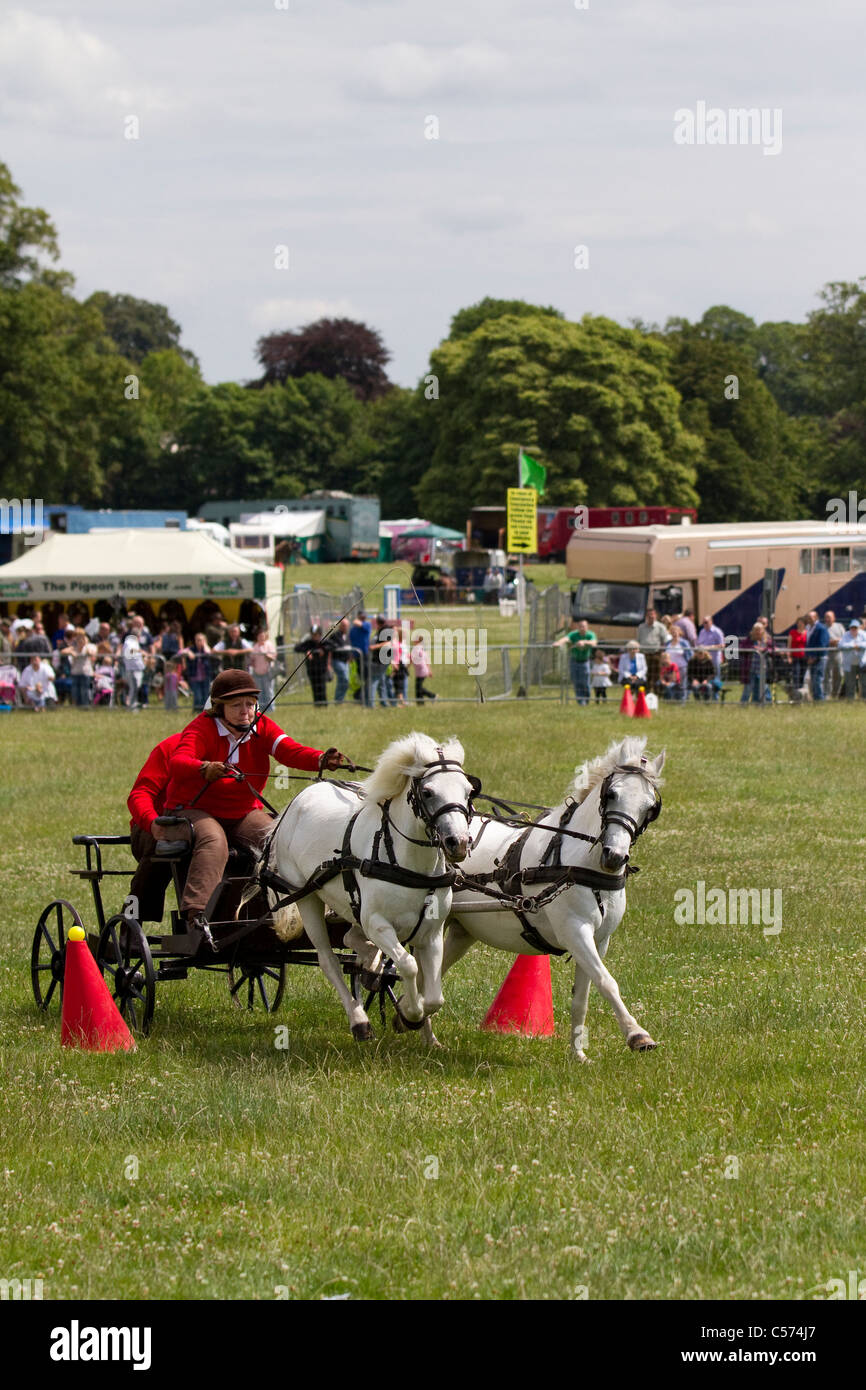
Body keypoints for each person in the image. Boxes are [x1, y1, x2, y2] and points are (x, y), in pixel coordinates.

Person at [162, 670, 347, 933]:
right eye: (236, 705)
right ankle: (196, 915)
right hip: (192, 809)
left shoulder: (261, 726)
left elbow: (288, 750)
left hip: (242, 812)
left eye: (250, 703)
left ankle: (305, 906)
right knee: (214, 841)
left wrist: (320, 759)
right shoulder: (201, 727)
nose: (245, 711)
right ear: (218, 708)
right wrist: (203, 768)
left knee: (279, 840)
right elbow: (178, 761)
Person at [127, 733, 184, 920]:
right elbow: (140, 794)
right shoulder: (171, 747)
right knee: (164, 845)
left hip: (202, 827)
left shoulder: (244, 749)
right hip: (153, 826)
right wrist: (152, 822)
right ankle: (133, 921)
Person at [554, 618, 595, 706]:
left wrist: (584, 642)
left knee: (585, 682)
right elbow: (566, 638)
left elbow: (594, 642)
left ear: (587, 627)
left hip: (585, 662)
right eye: (580, 626)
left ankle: (586, 699)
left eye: (584, 626)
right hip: (574, 661)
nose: (582, 628)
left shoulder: (590, 634)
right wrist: (558, 643)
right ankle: (581, 701)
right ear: (578, 627)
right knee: (576, 682)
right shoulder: (574, 634)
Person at [59, 627, 97, 707]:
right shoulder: (73, 648)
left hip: (85, 673)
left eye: (80, 637)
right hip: (75, 673)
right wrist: (71, 652)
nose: (78, 639)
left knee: (85, 691)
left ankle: (85, 706)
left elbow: (93, 653)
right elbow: (62, 651)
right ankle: (77, 706)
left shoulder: (88, 647)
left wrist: (87, 649)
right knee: (75, 691)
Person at [294, 624, 331, 707]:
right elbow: (297, 648)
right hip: (312, 669)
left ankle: (324, 704)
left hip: (322, 669)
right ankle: (317, 705)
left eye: (316, 634)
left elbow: (333, 645)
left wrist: (324, 649)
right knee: (315, 687)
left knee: (322, 687)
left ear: (320, 634)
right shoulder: (308, 643)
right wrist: (307, 651)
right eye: (313, 634)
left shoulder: (324, 642)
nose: (315, 636)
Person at [181, 633, 214, 713]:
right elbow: (181, 651)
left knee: (205, 695)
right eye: (197, 640)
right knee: (198, 696)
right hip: (194, 677)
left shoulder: (206, 649)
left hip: (205, 676)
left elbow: (209, 652)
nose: (199, 642)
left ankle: (205, 712)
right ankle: (196, 711)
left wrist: (205, 645)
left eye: (201, 640)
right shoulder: (192, 649)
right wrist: (188, 652)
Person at [636, 607, 669, 690]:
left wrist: (662, 652)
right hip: (644, 654)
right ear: (646, 616)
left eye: (653, 615)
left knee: (656, 674)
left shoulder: (661, 627)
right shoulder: (641, 627)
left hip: (656, 654)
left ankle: (656, 692)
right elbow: (638, 640)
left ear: (656, 616)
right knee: (645, 674)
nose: (651, 617)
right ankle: (645, 692)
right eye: (649, 615)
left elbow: (665, 641)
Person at [740, 623, 772, 703]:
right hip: (751, 669)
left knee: (763, 688)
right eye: (756, 630)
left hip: (763, 669)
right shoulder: (749, 639)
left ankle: (764, 704)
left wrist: (765, 649)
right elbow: (742, 647)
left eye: (759, 630)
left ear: (762, 631)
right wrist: (753, 648)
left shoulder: (767, 640)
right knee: (748, 688)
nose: (758, 632)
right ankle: (743, 705)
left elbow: (772, 648)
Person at [121, 615, 147, 710]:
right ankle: (131, 706)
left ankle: (133, 704)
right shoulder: (129, 642)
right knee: (134, 688)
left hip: (136, 669)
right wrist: (140, 652)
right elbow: (128, 653)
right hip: (132, 670)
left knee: (136, 688)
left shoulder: (134, 642)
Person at [248, 626, 277, 709]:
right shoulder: (255, 647)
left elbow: (273, 657)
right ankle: (262, 709)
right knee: (260, 692)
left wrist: (265, 655)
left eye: (262, 635)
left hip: (267, 672)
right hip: (257, 672)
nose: (261, 637)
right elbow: (252, 659)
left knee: (269, 691)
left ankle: (271, 708)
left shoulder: (269, 645)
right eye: (260, 636)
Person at [370, 616, 396, 708]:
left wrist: (374, 647)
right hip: (379, 659)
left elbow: (387, 642)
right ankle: (383, 702)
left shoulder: (386, 629)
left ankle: (372, 703)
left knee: (375, 681)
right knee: (381, 681)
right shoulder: (382, 629)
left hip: (382, 660)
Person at [327, 619, 353, 706]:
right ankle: (338, 700)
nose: (346, 627)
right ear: (340, 626)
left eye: (347, 626)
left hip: (346, 662)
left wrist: (350, 657)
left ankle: (339, 701)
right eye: (344, 625)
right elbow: (329, 649)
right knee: (345, 679)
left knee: (343, 682)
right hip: (337, 661)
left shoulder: (348, 636)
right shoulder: (334, 636)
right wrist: (329, 663)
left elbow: (349, 647)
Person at [839, 619, 866, 699]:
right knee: (850, 683)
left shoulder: (863, 634)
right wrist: (852, 646)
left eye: (855, 628)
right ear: (850, 628)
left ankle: (864, 700)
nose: (854, 629)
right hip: (850, 664)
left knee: (864, 683)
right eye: (852, 628)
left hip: (862, 664)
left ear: (858, 628)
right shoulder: (846, 635)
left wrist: (858, 646)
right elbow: (841, 645)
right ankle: (850, 701)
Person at [350, 612, 373, 707]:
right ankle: (360, 696)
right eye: (361, 616)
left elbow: (358, 623)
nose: (363, 618)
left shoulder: (367, 625)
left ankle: (361, 696)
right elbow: (351, 641)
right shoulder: (353, 629)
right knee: (362, 677)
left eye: (364, 616)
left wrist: (356, 620)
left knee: (367, 677)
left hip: (365, 655)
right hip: (357, 656)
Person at [806, 610, 829, 701]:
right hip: (811, 657)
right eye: (808, 617)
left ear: (816, 618)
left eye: (811, 617)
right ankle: (816, 697)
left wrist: (814, 657)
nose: (809, 619)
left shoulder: (821, 628)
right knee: (813, 680)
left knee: (818, 680)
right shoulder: (808, 628)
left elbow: (822, 644)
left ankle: (819, 699)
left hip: (819, 658)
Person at [411, 632, 436, 703]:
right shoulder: (422, 648)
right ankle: (420, 703)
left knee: (418, 688)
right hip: (423, 670)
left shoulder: (417, 648)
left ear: (418, 640)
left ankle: (432, 696)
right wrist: (429, 670)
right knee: (418, 687)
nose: (413, 641)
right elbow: (427, 660)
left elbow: (413, 658)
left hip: (421, 671)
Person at [824, 610, 845, 698]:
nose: (827, 619)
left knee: (839, 674)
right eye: (826, 617)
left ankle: (836, 693)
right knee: (828, 675)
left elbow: (844, 638)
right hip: (828, 654)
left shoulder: (839, 626)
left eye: (829, 617)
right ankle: (828, 694)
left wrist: (835, 641)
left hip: (838, 654)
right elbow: (824, 641)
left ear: (834, 618)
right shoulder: (823, 628)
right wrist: (832, 642)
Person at [789, 617, 808, 693]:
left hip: (805, 657)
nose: (799, 624)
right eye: (798, 623)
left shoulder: (807, 632)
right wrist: (789, 656)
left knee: (803, 674)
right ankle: (796, 691)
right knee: (796, 674)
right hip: (795, 657)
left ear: (804, 624)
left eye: (801, 623)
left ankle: (801, 691)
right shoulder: (792, 632)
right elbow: (789, 645)